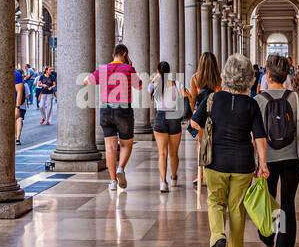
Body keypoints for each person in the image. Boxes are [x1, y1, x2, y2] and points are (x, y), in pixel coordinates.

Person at [191, 54, 269, 247]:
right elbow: (260, 137)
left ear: (225, 75)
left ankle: (217, 236)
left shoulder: (212, 99)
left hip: (216, 162)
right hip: (243, 164)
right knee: (237, 208)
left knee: (215, 202)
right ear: (249, 78)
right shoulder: (252, 105)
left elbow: (194, 124)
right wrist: (263, 163)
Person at [254, 53, 299, 247]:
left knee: (267, 198)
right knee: (287, 201)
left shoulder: (258, 100)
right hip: (292, 158)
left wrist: (256, 161)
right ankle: (284, 246)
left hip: (266, 159)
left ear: (267, 75)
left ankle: (267, 235)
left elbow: (255, 134)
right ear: (286, 75)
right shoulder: (295, 98)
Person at [87, 44, 141, 191]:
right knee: (126, 144)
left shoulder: (103, 69)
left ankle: (112, 182)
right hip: (124, 110)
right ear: (125, 54)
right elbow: (139, 86)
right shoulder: (128, 69)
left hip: (106, 110)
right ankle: (120, 168)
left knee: (109, 147)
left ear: (113, 55)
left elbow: (87, 81)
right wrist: (131, 67)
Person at [149, 61, 186, 191]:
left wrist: (156, 77)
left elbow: (149, 87)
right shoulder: (176, 84)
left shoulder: (155, 85)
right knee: (174, 153)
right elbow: (188, 96)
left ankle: (163, 183)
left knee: (162, 153)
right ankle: (174, 178)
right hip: (174, 117)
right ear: (170, 72)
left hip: (160, 117)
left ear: (158, 71)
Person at [187, 52, 222, 189]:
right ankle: (213, 171)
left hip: (202, 116)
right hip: (217, 115)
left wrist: (193, 115)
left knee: (201, 144)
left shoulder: (195, 78)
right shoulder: (219, 79)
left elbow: (192, 101)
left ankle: (200, 172)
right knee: (216, 143)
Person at [14, 67, 27, 144]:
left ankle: (17, 137)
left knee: (18, 120)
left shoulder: (16, 74)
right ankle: (17, 137)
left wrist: (17, 107)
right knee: (18, 121)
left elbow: (19, 92)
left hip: (17, 104)